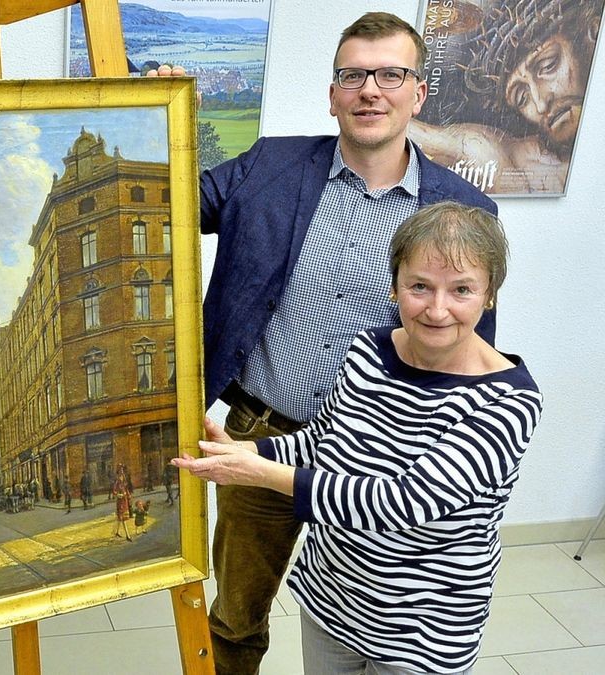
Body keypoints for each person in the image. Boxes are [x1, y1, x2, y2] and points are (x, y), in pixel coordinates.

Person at [188, 12, 498, 674]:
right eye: (352, 74)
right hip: (259, 436)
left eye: (391, 74)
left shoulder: (463, 212)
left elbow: (469, 365)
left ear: (418, 93)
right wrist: (152, 111)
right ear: (332, 92)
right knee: (237, 614)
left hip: (378, 453)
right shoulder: (269, 164)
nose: (369, 90)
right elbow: (174, 202)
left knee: (364, 624)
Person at [175, 201, 542, 674]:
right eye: (419, 286)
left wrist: (260, 472)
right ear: (394, 286)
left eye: (462, 290)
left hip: (423, 633)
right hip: (333, 604)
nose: (437, 309)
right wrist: (248, 449)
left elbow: (404, 502)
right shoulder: (369, 350)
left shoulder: (508, 401)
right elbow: (327, 437)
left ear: (489, 295)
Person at [409, 0, 600, 194]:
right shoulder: (523, 160)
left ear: (590, 37)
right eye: (521, 97)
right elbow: (450, 143)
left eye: (547, 66)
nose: (541, 104)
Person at [111, 467, 132, 542]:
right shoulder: (117, 482)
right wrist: (117, 495)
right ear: (118, 473)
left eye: (122, 472)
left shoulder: (124, 481)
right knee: (123, 519)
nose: (122, 473)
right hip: (120, 502)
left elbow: (126, 489)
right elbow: (114, 491)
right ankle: (128, 535)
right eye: (120, 472)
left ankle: (116, 532)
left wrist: (129, 495)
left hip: (125, 500)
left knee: (121, 518)